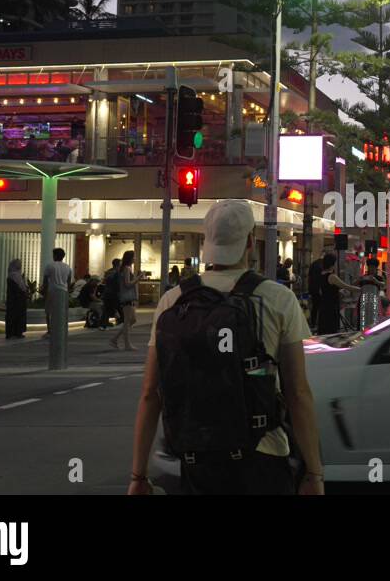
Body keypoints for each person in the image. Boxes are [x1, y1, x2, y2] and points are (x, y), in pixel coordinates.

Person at [129, 199, 324, 495]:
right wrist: (314, 473)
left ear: (208, 241)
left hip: (196, 458)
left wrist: (138, 476)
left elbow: (150, 393)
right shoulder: (277, 298)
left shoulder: (173, 300)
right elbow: (298, 393)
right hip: (262, 456)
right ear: (249, 241)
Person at [316, 252, 360, 335]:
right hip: (331, 306)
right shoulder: (332, 276)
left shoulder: (321, 274)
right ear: (332, 264)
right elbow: (347, 286)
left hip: (324, 305)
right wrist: (360, 289)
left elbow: (325, 290)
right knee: (331, 330)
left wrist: (338, 291)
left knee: (324, 331)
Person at [42, 248, 73, 340]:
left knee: (49, 312)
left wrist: (44, 293)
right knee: (62, 312)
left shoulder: (49, 266)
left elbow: (45, 281)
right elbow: (68, 282)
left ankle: (50, 331)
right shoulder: (68, 267)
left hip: (52, 291)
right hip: (63, 292)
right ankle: (61, 330)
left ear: (54, 256)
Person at [110, 250, 139, 350]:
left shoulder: (126, 268)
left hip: (127, 297)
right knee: (127, 321)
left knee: (132, 320)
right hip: (127, 297)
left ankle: (115, 339)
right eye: (134, 257)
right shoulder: (126, 268)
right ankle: (127, 344)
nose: (135, 259)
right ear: (130, 258)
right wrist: (138, 278)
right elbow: (127, 284)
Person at [5, 259, 28, 339]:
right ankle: (17, 332)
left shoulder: (11, 274)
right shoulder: (15, 275)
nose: (20, 265)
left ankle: (11, 333)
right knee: (18, 316)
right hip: (18, 301)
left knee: (11, 315)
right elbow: (22, 288)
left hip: (12, 301)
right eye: (19, 264)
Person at [101, 258, 122, 329]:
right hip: (114, 293)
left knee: (107, 309)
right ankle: (120, 321)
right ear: (118, 264)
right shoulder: (117, 272)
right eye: (120, 263)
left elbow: (104, 282)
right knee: (119, 307)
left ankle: (104, 323)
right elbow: (117, 283)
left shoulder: (108, 272)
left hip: (107, 292)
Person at [308, 256, 324, 329]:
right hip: (320, 289)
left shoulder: (313, 264)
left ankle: (313, 324)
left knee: (315, 307)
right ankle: (320, 324)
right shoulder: (323, 265)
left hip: (313, 289)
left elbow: (309, 277)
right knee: (321, 307)